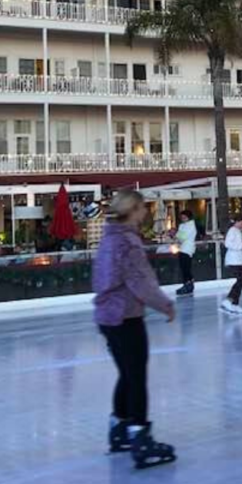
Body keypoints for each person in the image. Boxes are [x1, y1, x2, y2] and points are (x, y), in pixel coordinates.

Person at [92, 189, 176, 469]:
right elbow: (140, 281)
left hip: (106, 316)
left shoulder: (108, 238)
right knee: (136, 376)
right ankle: (140, 437)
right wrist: (165, 304)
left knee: (126, 374)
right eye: (143, 208)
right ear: (133, 209)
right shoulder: (128, 242)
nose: (145, 214)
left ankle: (119, 429)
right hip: (125, 316)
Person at [220, 214, 242, 316]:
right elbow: (227, 244)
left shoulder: (237, 231)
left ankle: (234, 303)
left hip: (237, 260)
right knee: (240, 280)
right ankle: (229, 301)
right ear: (237, 221)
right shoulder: (233, 230)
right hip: (233, 260)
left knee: (241, 281)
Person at [175, 209, 197, 296]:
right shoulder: (183, 226)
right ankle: (188, 284)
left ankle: (188, 284)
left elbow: (182, 236)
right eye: (182, 217)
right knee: (184, 267)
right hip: (183, 248)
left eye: (184, 217)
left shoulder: (190, 226)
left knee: (186, 267)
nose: (183, 219)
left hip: (187, 249)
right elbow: (180, 236)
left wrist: (177, 237)